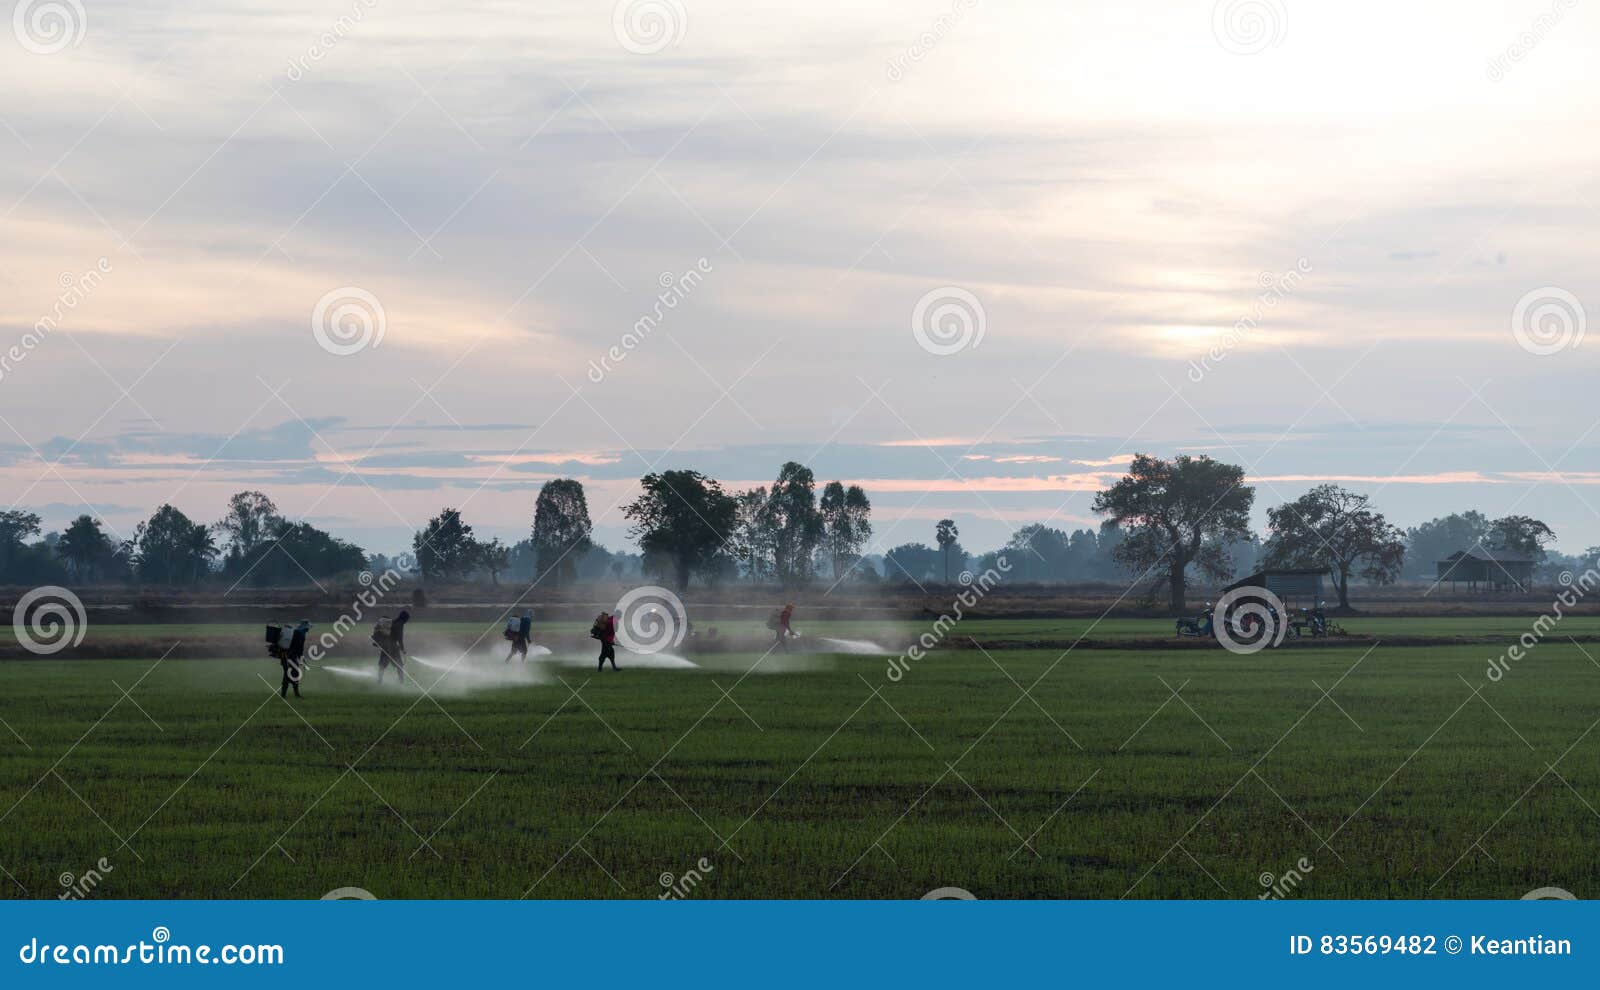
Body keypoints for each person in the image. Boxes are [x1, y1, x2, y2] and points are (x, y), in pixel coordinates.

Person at [275, 620, 310, 698]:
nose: (308, 630)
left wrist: (301, 660)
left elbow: (297, 649)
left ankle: (293, 694)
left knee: (292, 674)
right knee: (290, 675)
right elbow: (300, 649)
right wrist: (302, 659)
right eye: (308, 628)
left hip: (285, 656)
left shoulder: (294, 632)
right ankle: (287, 695)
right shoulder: (301, 635)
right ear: (305, 628)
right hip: (289, 657)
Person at [374, 613, 405, 684]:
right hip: (391, 650)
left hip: (388, 650)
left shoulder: (381, 629)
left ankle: (380, 681)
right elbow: (398, 639)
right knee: (398, 666)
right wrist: (402, 649)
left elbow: (376, 642)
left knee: (383, 666)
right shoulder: (389, 628)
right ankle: (401, 681)